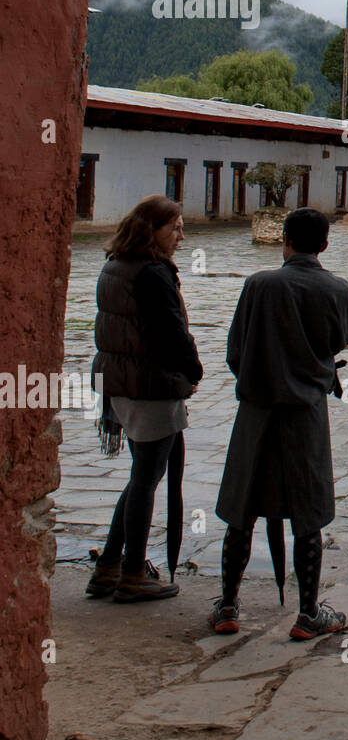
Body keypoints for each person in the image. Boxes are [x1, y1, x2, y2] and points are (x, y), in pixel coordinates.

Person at [211, 207, 348, 638]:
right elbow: (338, 339)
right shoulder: (337, 290)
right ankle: (308, 612)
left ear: (285, 240)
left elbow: (235, 351)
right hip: (305, 414)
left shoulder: (257, 286)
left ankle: (227, 605)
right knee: (307, 514)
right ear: (325, 245)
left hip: (255, 412)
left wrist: (264, 376)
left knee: (241, 511)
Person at [89, 195, 202, 603]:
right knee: (146, 478)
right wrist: (193, 371)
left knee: (141, 476)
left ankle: (108, 566)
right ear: (151, 229)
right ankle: (133, 572)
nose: (180, 236)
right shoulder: (153, 273)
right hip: (149, 385)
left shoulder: (114, 264)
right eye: (174, 228)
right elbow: (170, 332)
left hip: (118, 384)